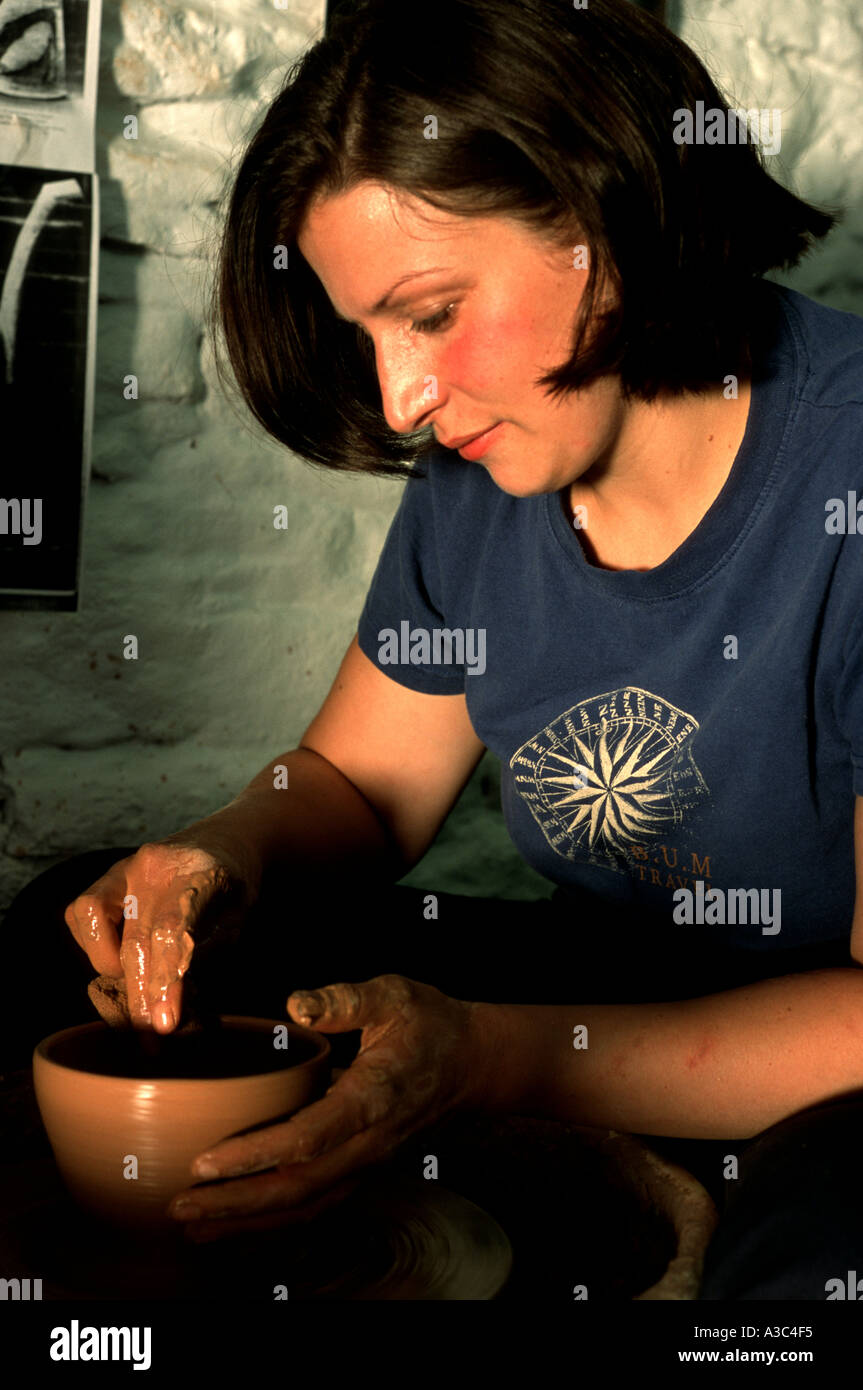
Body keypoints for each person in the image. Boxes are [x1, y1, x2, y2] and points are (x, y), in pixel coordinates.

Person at [62, 0, 863, 1298]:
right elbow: (358, 788)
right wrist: (221, 851)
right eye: (368, 333)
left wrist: (496, 1053)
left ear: (594, 221)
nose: (398, 398)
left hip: (818, 1045)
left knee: (819, 1276)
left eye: (428, 312)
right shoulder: (486, 461)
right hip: (592, 975)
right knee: (72, 940)